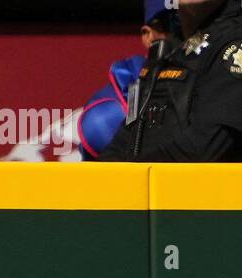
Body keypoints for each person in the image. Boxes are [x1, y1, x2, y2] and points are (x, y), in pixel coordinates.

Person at [101, 0, 242, 161]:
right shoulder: (170, 48)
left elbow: (204, 148)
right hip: (149, 182)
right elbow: (125, 140)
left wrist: (132, 174)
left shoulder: (234, 43)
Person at [78, 3, 174, 159]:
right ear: (148, 35)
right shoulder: (114, 107)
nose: (184, 33)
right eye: (172, 23)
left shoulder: (216, 78)